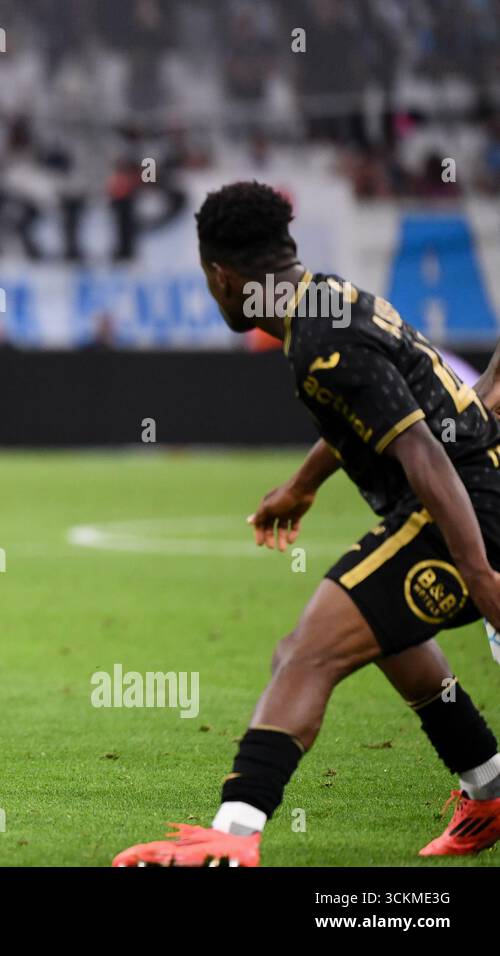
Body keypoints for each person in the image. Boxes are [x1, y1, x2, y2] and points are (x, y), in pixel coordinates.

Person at [114, 181, 500, 865]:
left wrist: (479, 573)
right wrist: (301, 483)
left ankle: (230, 842)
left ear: (221, 277)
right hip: (473, 491)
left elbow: (421, 449)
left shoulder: (320, 343)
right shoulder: (328, 298)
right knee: (390, 638)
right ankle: (490, 788)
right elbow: (387, 407)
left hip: (466, 508)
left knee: (304, 652)